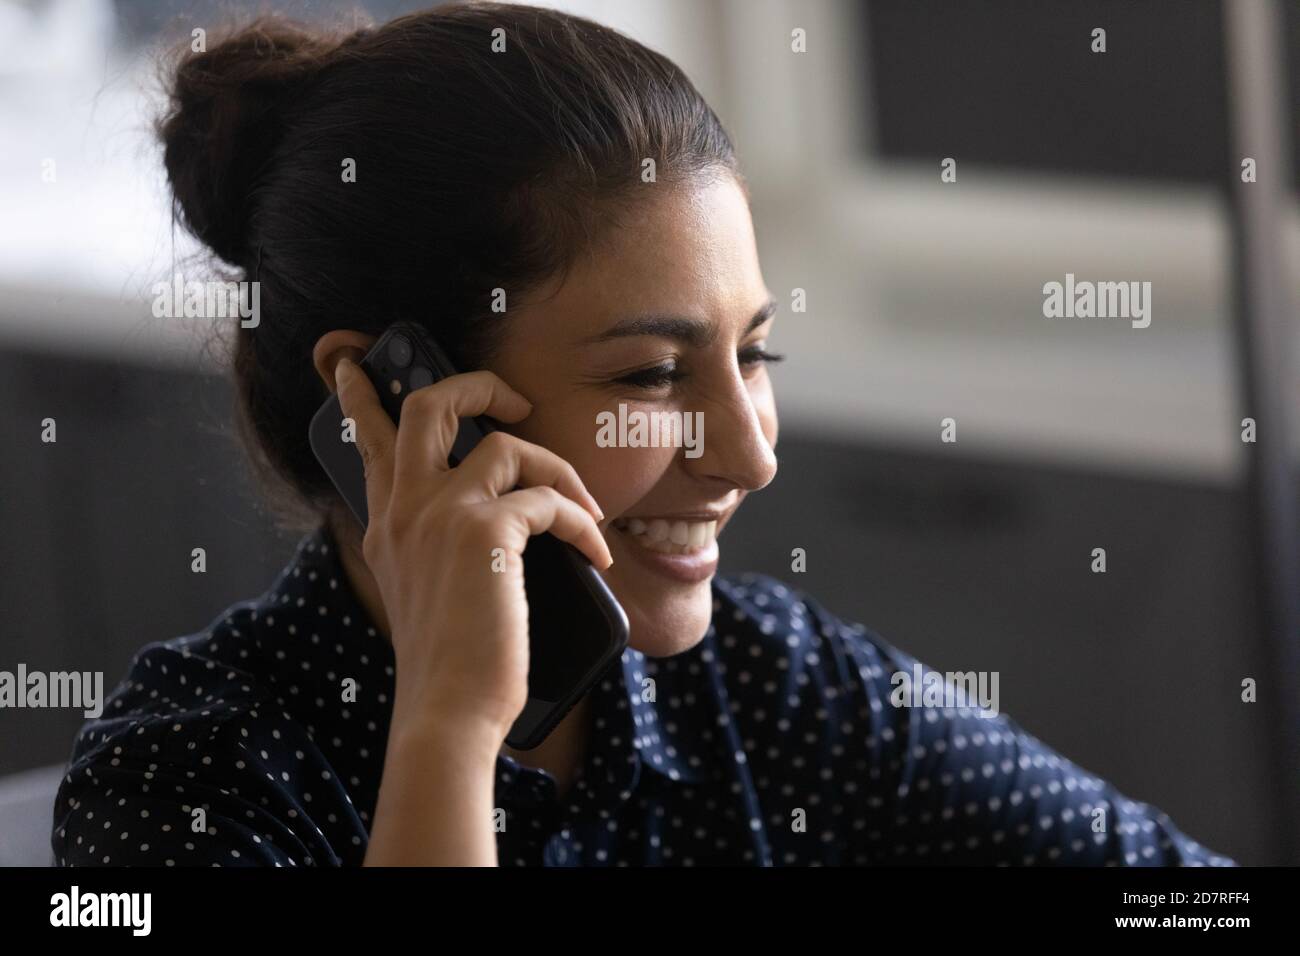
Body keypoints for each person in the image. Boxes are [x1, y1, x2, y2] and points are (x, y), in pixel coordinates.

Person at [51, 2, 1234, 867]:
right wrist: (451, 733)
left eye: (752, 353)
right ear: (398, 405)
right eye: (655, 371)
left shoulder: (772, 685)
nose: (750, 453)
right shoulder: (183, 785)